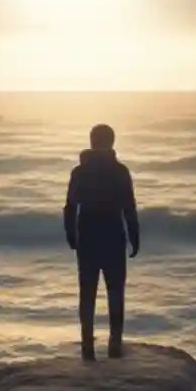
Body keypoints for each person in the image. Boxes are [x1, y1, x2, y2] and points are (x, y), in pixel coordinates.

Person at [64, 123, 140, 361]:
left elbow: (70, 207)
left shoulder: (80, 172)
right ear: (112, 142)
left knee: (87, 294)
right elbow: (129, 207)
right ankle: (114, 346)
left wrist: (71, 235)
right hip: (113, 237)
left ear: (91, 142)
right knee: (115, 292)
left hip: (87, 237)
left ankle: (87, 348)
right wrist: (134, 236)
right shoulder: (120, 171)